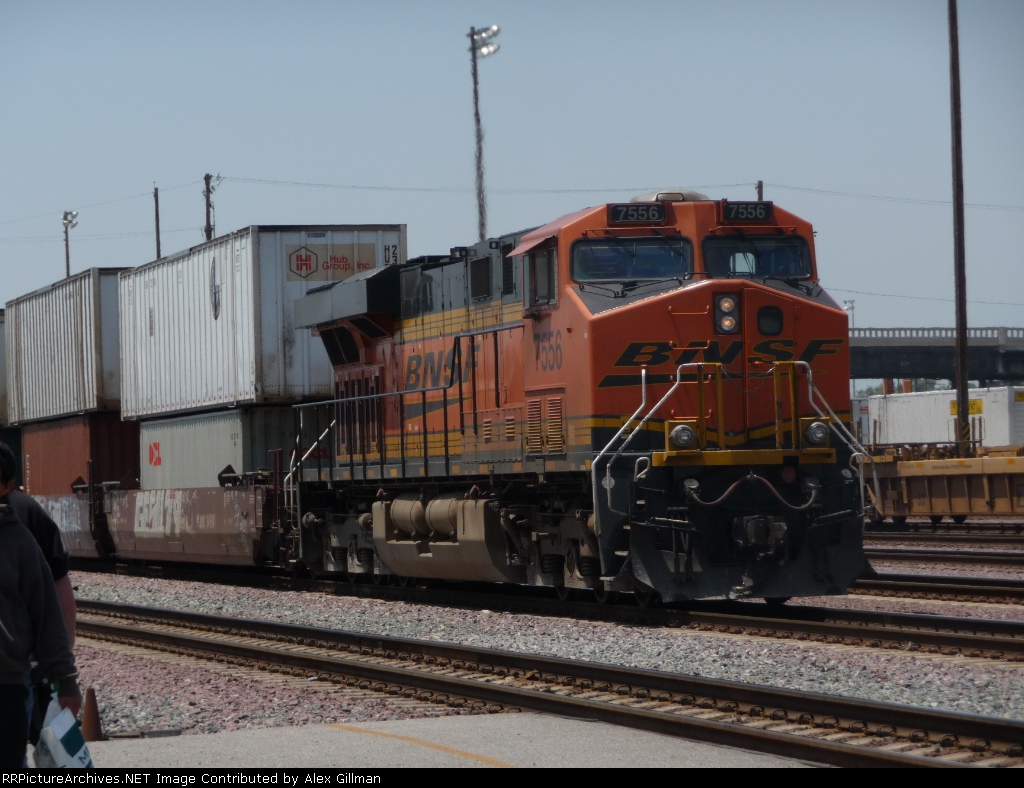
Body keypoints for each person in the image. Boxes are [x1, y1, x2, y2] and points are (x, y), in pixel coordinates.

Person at [0, 444, 80, 769]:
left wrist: (66, 679)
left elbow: (47, 613)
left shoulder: (18, 540)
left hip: (6, 688)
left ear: (5, 487)